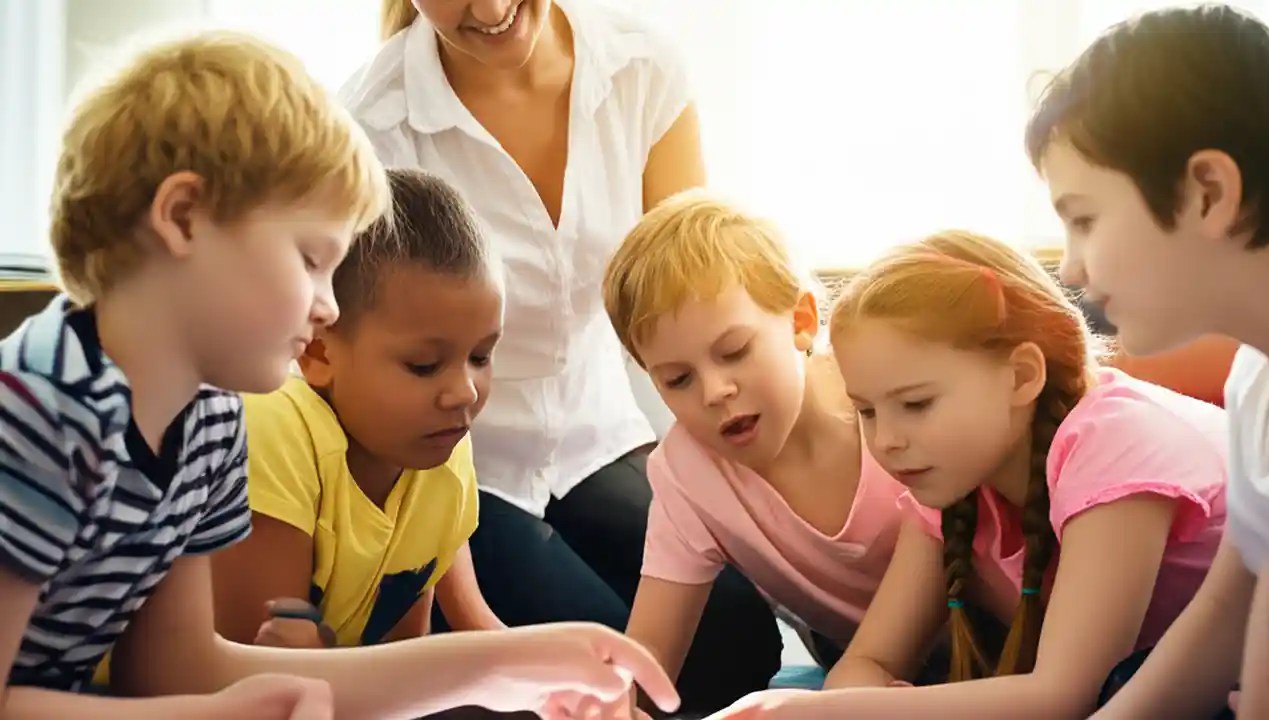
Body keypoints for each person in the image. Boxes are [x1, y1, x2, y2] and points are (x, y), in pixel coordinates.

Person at [0, 29, 678, 719]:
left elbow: (179, 667)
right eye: (310, 260)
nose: (327, 307)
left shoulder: (205, 423)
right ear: (183, 219)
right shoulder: (40, 412)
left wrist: (513, 664)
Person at [340, 0, 781, 710]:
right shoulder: (371, 124)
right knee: (602, 663)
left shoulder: (639, 66)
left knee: (738, 634)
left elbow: (689, 290)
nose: (487, 9)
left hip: (598, 435)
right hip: (463, 463)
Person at [707, 231, 1229, 719]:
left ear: (1022, 376)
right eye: (866, 411)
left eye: (916, 403)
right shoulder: (951, 480)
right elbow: (868, 662)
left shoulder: (1114, 445)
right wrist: (845, 702)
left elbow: (1066, 694)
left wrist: (814, 709)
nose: (886, 439)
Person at [1023, 6, 1269, 718]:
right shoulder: (1260, 382)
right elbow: (1232, 605)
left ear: (1207, 192)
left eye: (1084, 219)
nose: (1071, 266)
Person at [597, 191, 907, 714]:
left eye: (735, 352)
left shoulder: (889, 400)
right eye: (677, 379)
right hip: (863, 672)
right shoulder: (685, 474)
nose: (714, 391)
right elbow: (648, 662)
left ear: (801, 320)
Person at [211, 168, 504, 653]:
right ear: (319, 352)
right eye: (425, 365)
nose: (465, 392)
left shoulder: (442, 454)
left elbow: (404, 664)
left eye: (481, 356)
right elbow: (266, 676)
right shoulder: (272, 431)